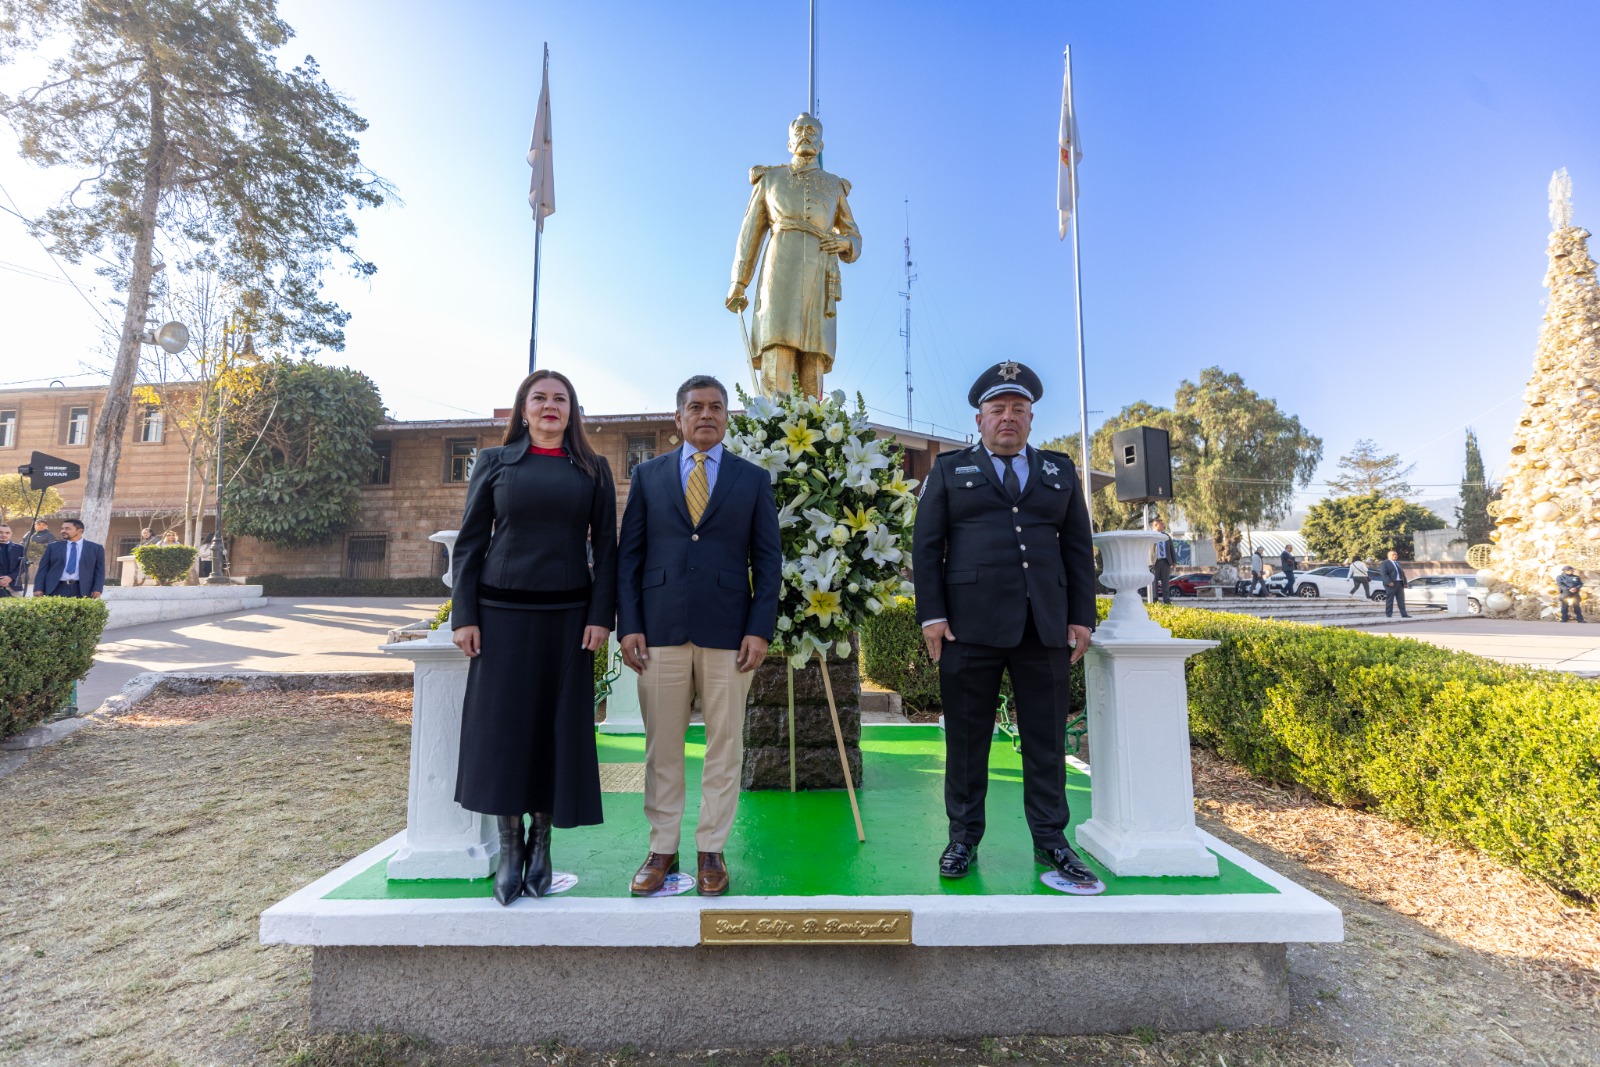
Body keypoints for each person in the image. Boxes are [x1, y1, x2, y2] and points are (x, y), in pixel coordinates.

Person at [913, 360, 1099, 888]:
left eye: (1018, 409)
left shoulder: (1060, 470)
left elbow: (1078, 552)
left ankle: (1052, 840)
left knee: (1047, 739)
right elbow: (926, 548)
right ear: (980, 420)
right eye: (998, 409)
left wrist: (1082, 617)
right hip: (968, 629)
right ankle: (963, 838)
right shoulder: (949, 471)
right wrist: (932, 614)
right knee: (967, 742)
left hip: (1045, 627)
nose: (1008, 418)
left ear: (1032, 419)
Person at [449, 369, 618, 906]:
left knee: (554, 731)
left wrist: (600, 616)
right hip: (500, 618)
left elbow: (607, 550)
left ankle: (543, 842)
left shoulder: (593, 468)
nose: (550, 406)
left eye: (560, 399)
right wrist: (465, 615)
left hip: (568, 620)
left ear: (573, 411)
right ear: (523, 409)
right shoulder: (493, 463)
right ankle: (510, 846)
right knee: (504, 732)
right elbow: (471, 542)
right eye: (539, 398)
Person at [616, 374, 782, 897]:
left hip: (730, 634)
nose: (705, 414)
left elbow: (768, 560)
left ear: (727, 417)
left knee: (724, 745)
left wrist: (759, 628)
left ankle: (712, 848)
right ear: (678, 418)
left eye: (715, 407)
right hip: (660, 630)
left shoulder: (752, 480)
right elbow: (630, 557)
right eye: (695, 407)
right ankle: (662, 849)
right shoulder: (648, 477)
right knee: (661, 746)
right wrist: (631, 624)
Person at [727, 113, 862, 399]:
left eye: (811, 130)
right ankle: (772, 426)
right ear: (789, 143)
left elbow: (854, 236)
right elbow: (750, 231)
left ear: (821, 144)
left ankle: (815, 428)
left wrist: (845, 242)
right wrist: (739, 282)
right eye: (799, 130)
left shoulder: (835, 185)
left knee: (814, 353)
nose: (805, 134)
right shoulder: (770, 179)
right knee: (778, 343)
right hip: (780, 266)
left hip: (820, 270)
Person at [33, 518, 105, 598]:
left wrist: (98, 589)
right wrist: (38, 588)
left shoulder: (95, 548)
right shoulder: (53, 547)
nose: (63, 531)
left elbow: (100, 571)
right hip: (56, 589)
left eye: (67, 529)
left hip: (83, 590)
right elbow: (43, 569)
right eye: (62, 528)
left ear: (79, 531)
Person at [1148, 519, 1173, 604]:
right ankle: (1154, 600)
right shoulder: (1149, 536)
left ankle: (1167, 600)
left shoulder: (1166, 536)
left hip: (1165, 562)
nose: (1163, 526)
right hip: (1154, 562)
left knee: (1165, 582)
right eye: (1161, 524)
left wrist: (1174, 561)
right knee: (1154, 582)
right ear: (1155, 525)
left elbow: (1171, 549)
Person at [1380, 550, 1409, 618]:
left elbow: (1402, 573)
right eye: (1393, 554)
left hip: (1399, 583)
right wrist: (1389, 582)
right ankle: (1389, 614)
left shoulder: (1398, 563)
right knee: (1390, 600)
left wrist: (1405, 582)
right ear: (1389, 555)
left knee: (1401, 600)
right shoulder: (1385, 563)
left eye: (1396, 554)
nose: (1395, 556)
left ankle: (1404, 614)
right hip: (1391, 584)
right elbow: (1383, 573)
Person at [0, 524, 24, 597]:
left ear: (11, 535)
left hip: (14, 586)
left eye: (7, 533)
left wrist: (10, 577)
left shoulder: (20, 548)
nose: (4, 535)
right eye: (0, 532)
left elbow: (23, 566)